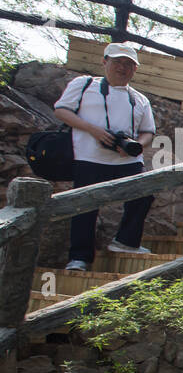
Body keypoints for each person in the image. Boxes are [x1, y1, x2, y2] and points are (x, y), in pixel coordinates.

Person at [53, 42, 157, 271]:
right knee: (85, 207)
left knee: (144, 194)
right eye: (117, 62)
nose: (123, 68)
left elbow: (148, 131)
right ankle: (79, 258)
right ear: (104, 62)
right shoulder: (84, 84)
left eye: (129, 64)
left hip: (127, 160)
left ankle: (126, 241)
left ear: (135, 69)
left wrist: (136, 145)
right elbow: (61, 110)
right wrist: (92, 129)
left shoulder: (139, 99)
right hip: (89, 157)